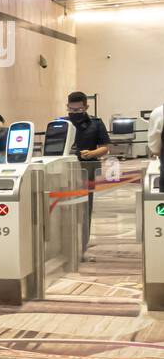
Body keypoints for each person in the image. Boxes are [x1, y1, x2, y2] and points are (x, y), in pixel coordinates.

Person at [66, 91, 110, 256]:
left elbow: (105, 147)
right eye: (71, 109)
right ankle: (67, 245)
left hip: (87, 171)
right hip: (65, 172)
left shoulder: (96, 124)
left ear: (86, 107)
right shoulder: (63, 123)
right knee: (65, 209)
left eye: (78, 110)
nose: (74, 113)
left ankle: (83, 245)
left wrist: (91, 154)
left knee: (85, 209)